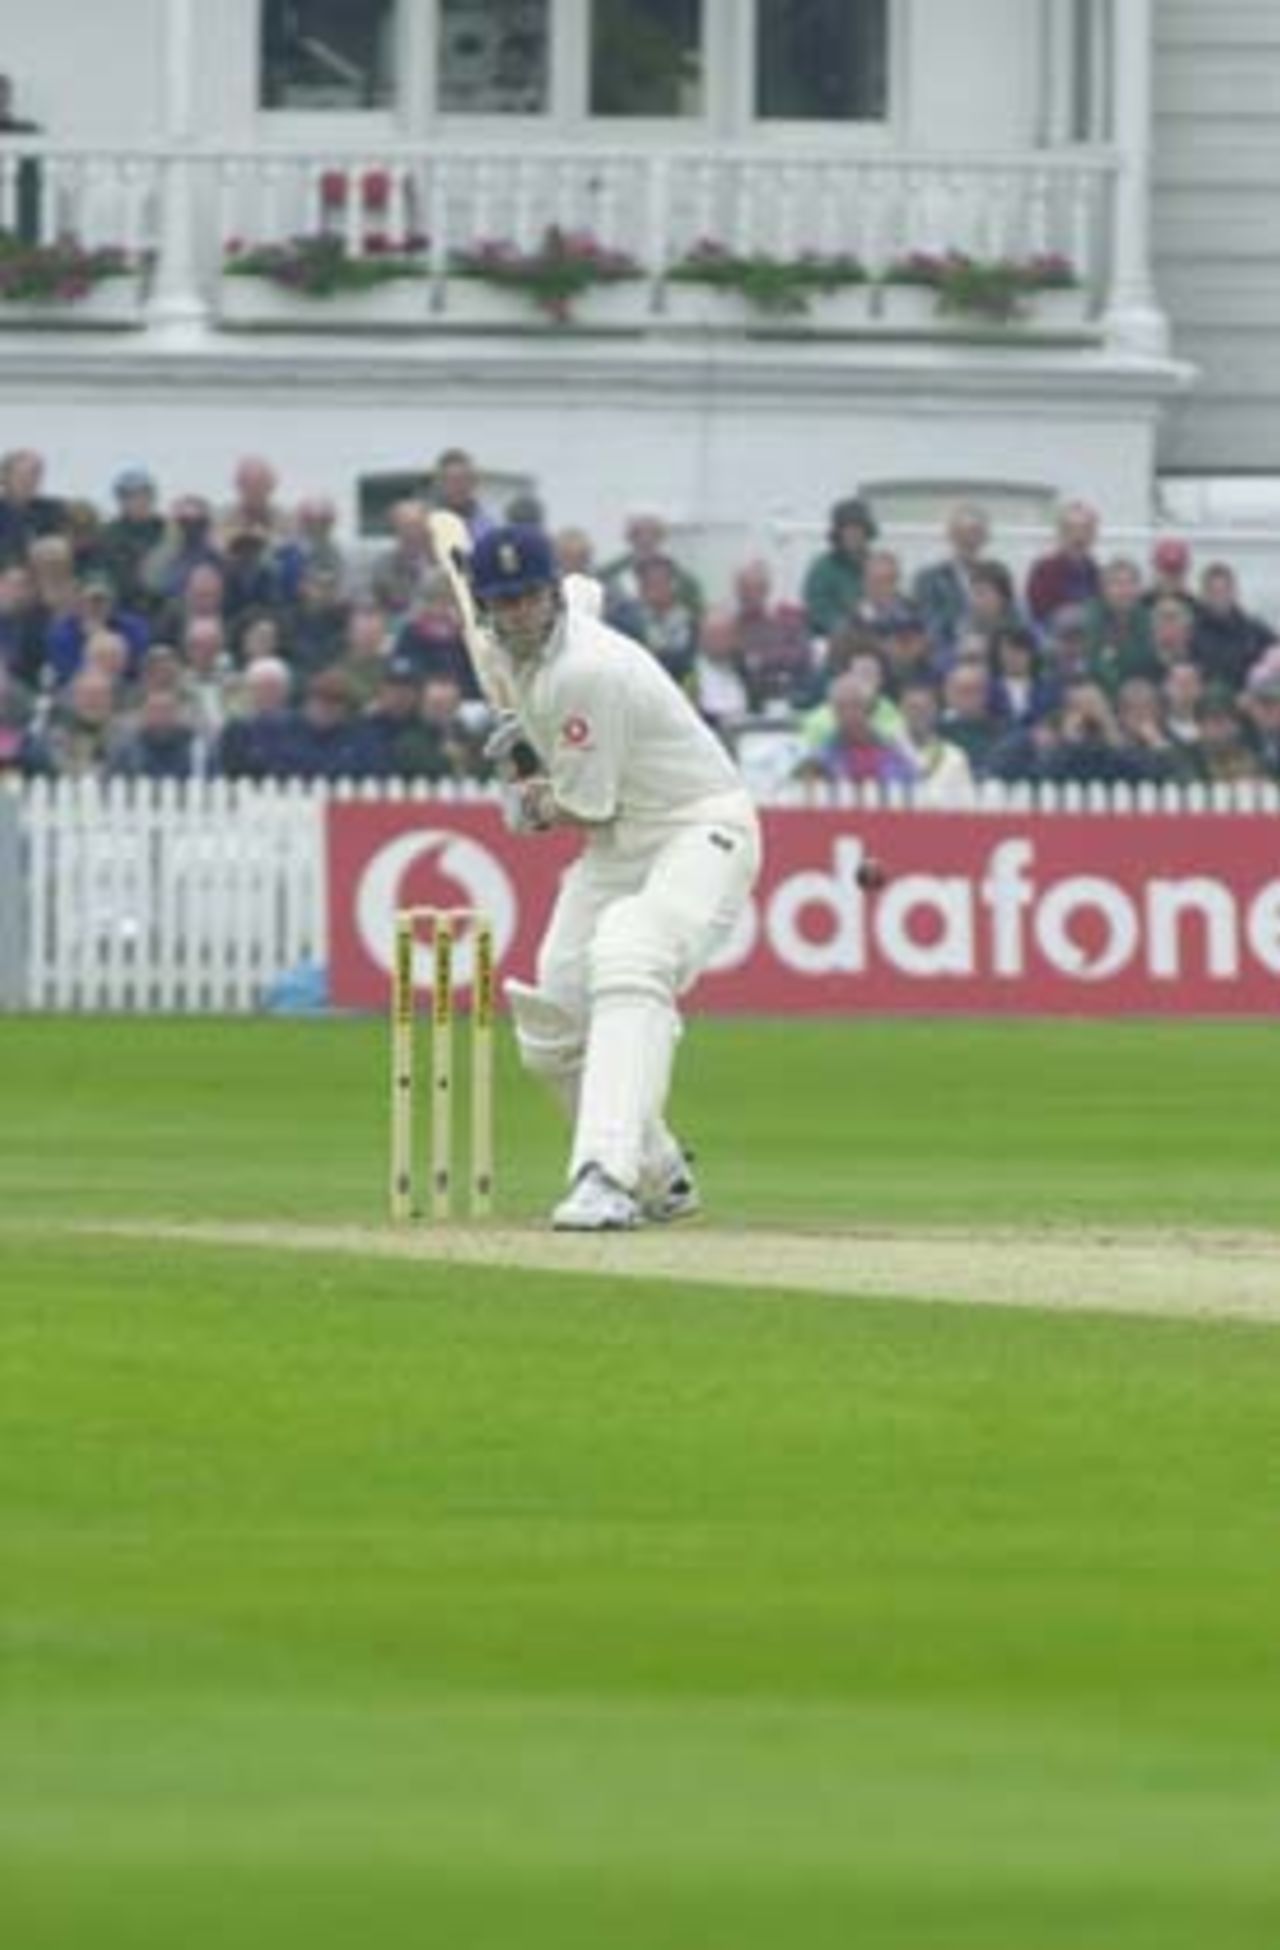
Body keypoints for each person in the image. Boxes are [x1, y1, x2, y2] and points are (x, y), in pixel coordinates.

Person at [468, 524, 761, 1231]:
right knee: (553, 1022)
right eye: (503, 601)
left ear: (549, 598)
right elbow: (586, 590)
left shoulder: (586, 672)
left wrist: (527, 791)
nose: (519, 614)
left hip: (697, 828)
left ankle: (605, 1177)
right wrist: (529, 740)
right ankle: (662, 1176)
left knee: (631, 953)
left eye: (530, 598)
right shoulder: (532, 631)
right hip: (621, 847)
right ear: (486, 606)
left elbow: (581, 807)